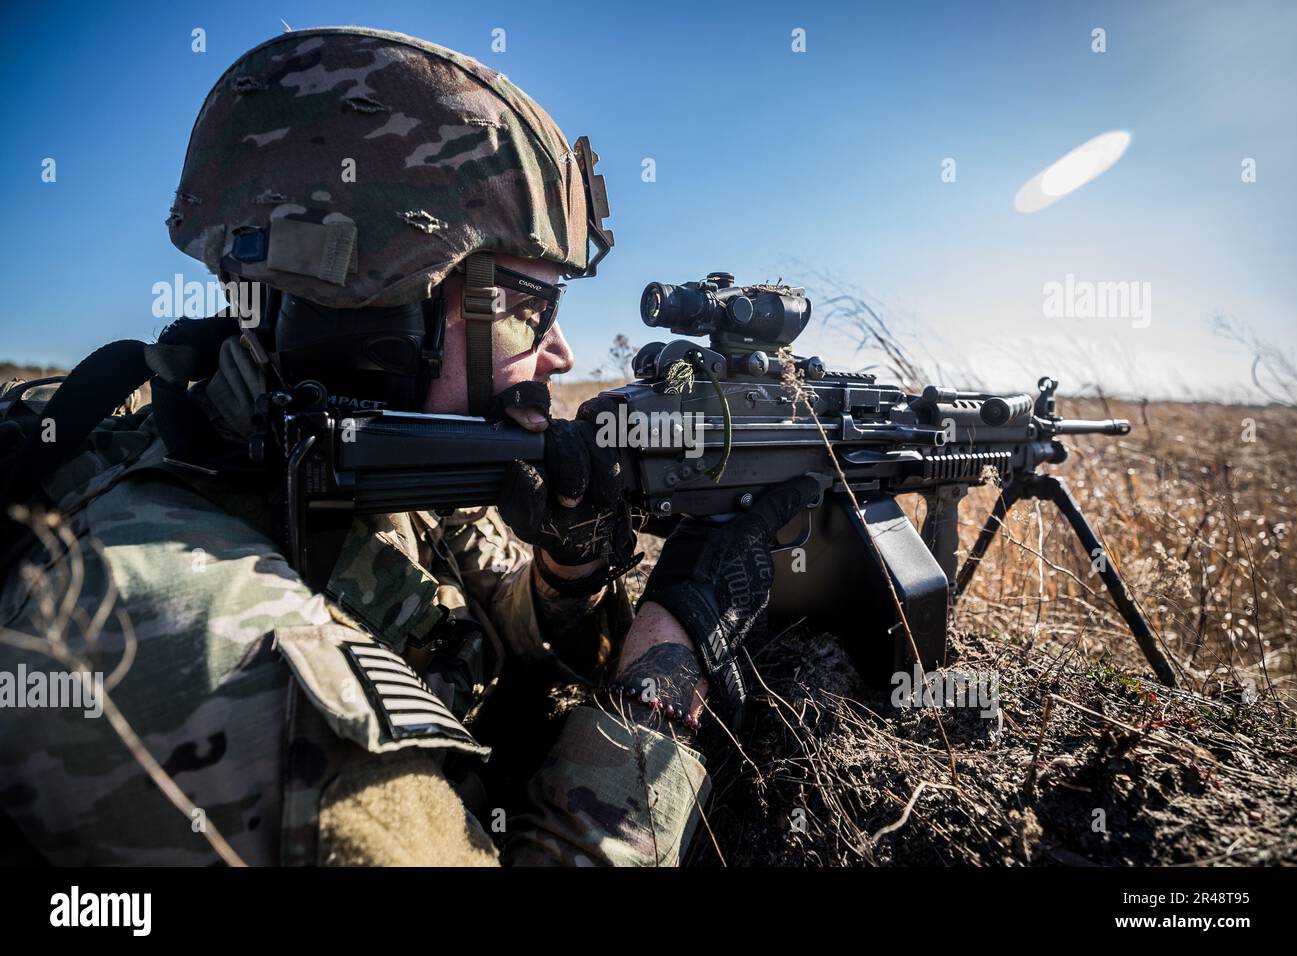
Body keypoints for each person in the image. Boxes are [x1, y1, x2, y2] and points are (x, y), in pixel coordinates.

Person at [0, 26, 813, 866]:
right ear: (386, 309)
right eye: (533, 306)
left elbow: (496, 617)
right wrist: (662, 682)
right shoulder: (193, 635)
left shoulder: (347, 467)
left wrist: (569, 565)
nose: (562, 354)